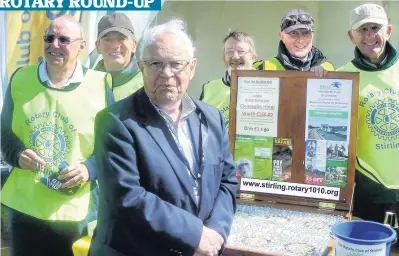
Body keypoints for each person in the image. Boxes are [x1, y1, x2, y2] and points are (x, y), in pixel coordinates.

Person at [89, 19, 238, 256]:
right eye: (156, 64)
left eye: (176, 64)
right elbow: (127, 197)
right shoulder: (115, 122)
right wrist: (195, 235)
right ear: (141, 67)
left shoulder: (211, 118)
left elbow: (227, 180)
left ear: (192, 67)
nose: (166, 73)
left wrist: (216, 232)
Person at [1, 16, 113, 256]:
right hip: (25, 207)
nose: (55, 45)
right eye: (49, 38)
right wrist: (17, 155)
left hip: (72, 211)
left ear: (82, 46)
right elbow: (4, 133)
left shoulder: (100, 85)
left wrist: (90, 169)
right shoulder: (21, 79)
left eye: (64, 39)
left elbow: (112, 144)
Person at [337, 3, 399, 224]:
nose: (370, 35)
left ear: (388, 31)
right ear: (351, 36)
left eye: (376, 27)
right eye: (362, 29)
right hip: (368, 189)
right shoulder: (341, 78)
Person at [200, 31, 257, 128]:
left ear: (253, 57)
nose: (235, 56)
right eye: (229, 52)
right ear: (224, 58)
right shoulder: (208, 88)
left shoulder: (269, 87)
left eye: (241, 51)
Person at [253, 8, 334, 76]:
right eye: (293, 33)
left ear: (313, 36)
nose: (300, 40)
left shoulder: (328, 69)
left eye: (306, 33)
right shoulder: (264, 68)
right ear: (282, 36)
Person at [95, 12, 143, 101]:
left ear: (134, 45)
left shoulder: (149, 83)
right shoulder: (87, 82)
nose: (114, 46)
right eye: (107, 39)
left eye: (122, 38)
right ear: (97, 46)